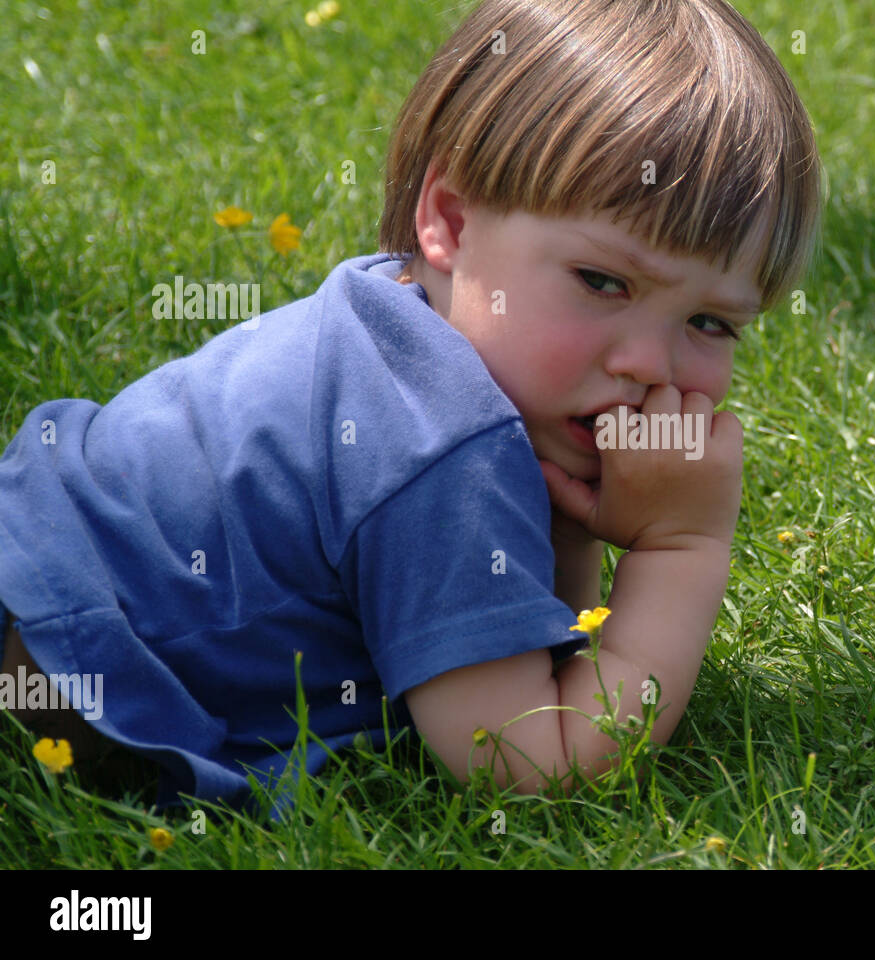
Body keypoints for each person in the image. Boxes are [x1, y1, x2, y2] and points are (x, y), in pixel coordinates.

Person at [0, 0, 822, 813]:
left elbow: (541, 646)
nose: (649, 362)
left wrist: (565, 526)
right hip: (56, 653)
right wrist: (683, 547)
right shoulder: (439, 448)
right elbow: (532, 762)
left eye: (710, 323)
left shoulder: (397, 311)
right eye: (603, 281)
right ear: (451, 222)